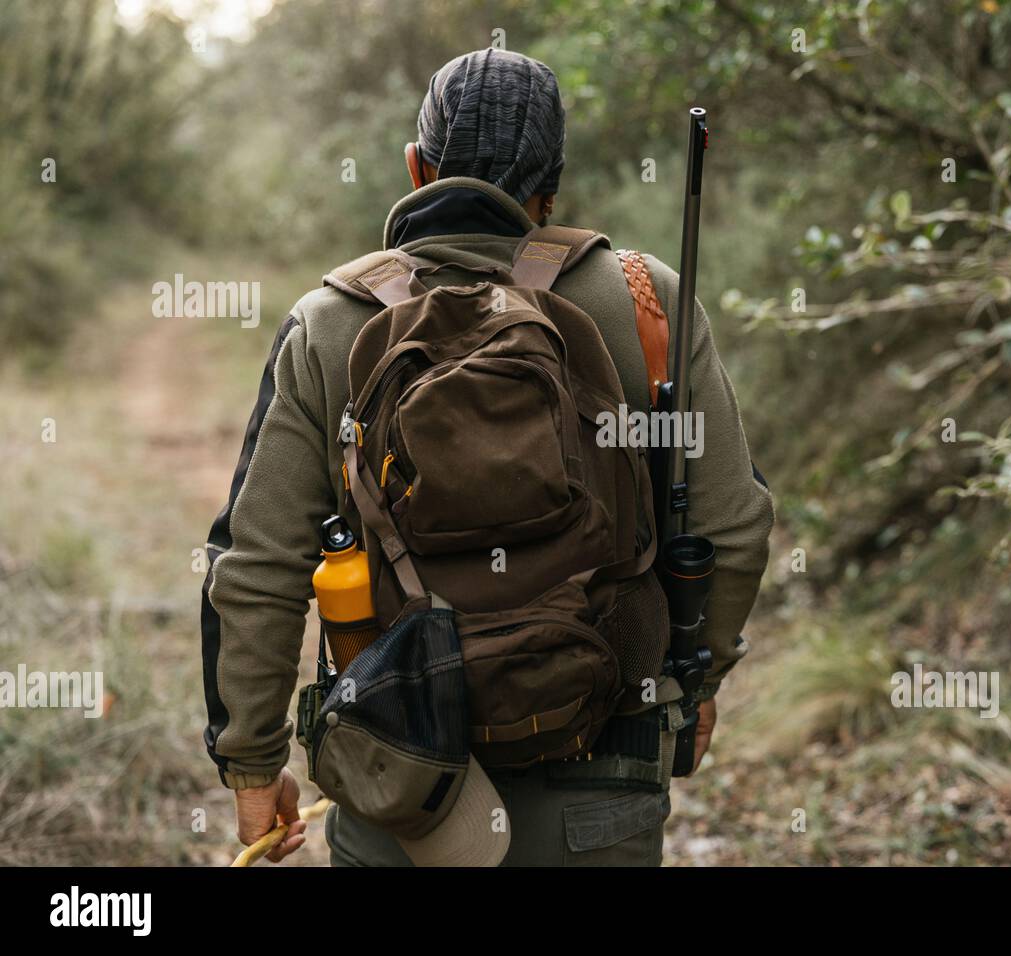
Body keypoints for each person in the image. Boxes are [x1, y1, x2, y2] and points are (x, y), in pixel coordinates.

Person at [201, 48, 773, 866]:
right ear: (552, 186)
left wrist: (253, 765)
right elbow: (735, 525)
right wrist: (698, 682)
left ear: (415, 168)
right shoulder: (646, 301)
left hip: (401, 784)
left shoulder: (331, 323)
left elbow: (256, 567)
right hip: (600, 776)